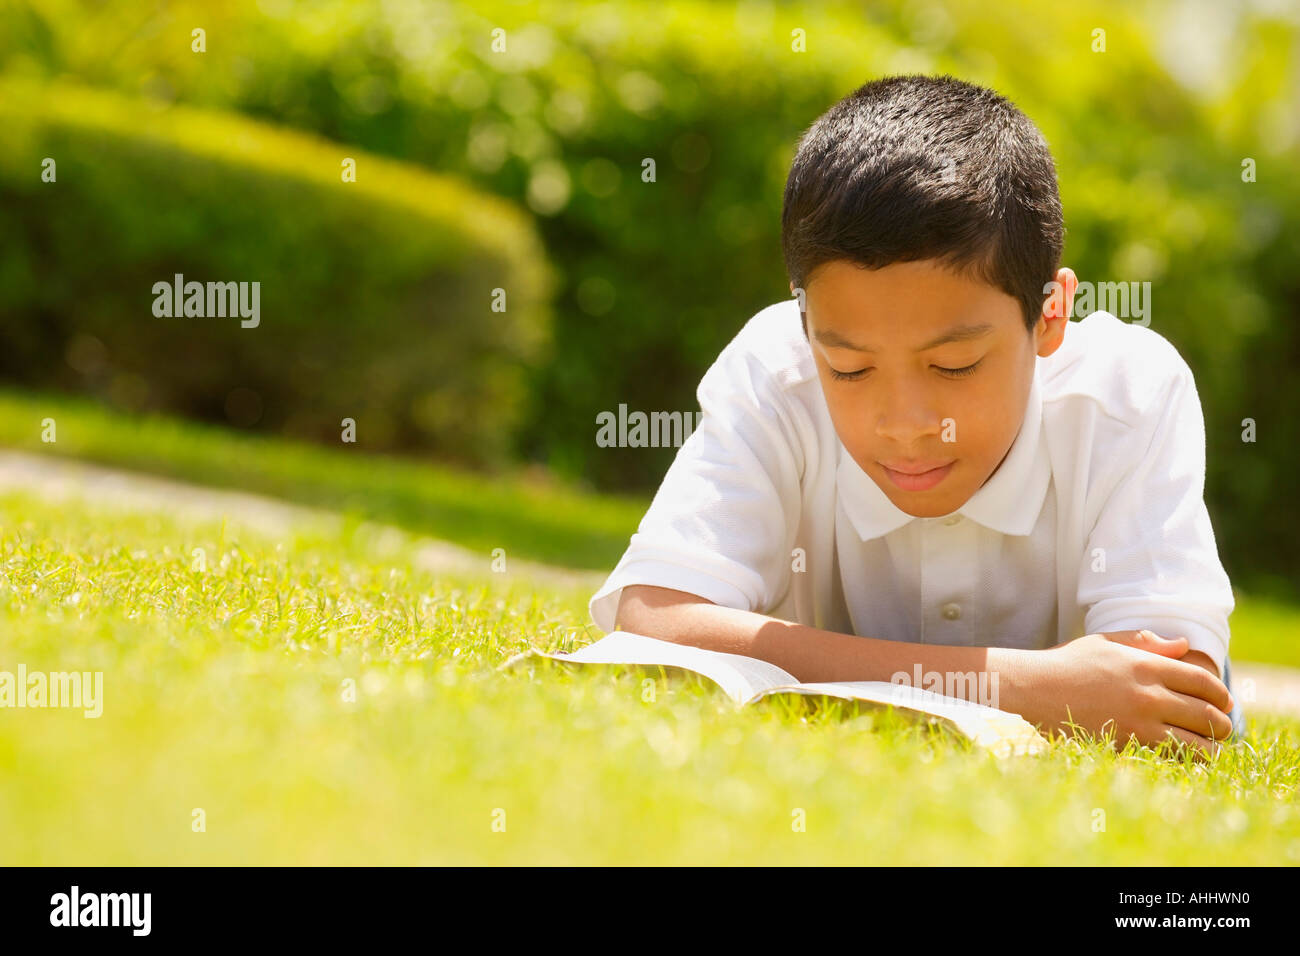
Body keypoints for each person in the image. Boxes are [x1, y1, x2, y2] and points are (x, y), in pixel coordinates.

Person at [589, 74, 1242, 755]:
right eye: (850, 369)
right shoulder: (776, 371)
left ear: (1051, 314)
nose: (904, 423)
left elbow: (1175, 704)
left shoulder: (1129, 393)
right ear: (807, 322)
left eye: (954, 365)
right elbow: (652, 622)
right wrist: (1029, 687)